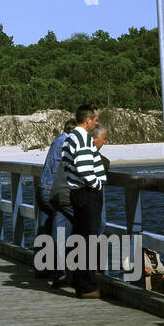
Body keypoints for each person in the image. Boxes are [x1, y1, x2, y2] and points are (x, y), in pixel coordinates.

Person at [61, 105, 106, 298]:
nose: (96, 122)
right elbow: (84, 166)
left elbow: (66, 162)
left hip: (77, 192)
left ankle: (79, 280)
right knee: (88, 240)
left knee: (80, 238)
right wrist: (96, 184)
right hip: (86, 193)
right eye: (95, 119)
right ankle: (87, 287)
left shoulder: (70, 137)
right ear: (87, 120)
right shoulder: (82, 138)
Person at [35, 121, 75, 283]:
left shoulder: (57, 140)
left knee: (44, 227)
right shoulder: (65, 143)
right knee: (61, 228)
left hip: (42, 188)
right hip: (52, 191)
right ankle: (62, 270)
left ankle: (42, 267)